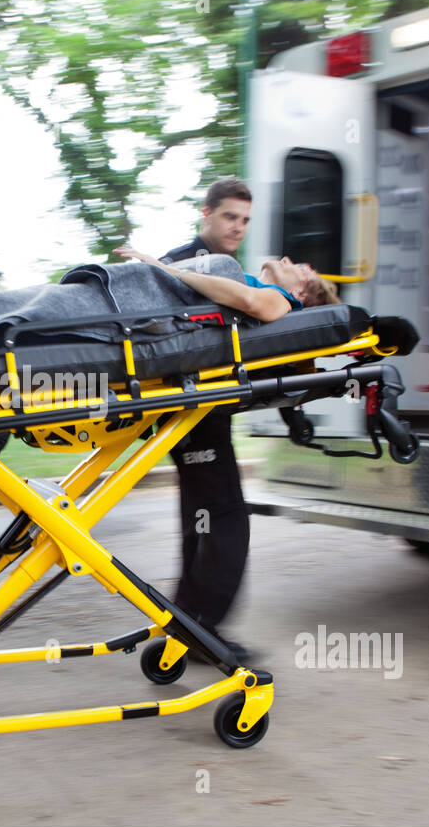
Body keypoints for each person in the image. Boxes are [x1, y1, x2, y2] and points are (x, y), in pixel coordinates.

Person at [113, 178, 339, 663]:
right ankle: (202, 631)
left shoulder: (229, 270)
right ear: (207, 214)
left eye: (244, 220)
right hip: (190, 411)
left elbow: (266, 353)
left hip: (205, 411)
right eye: (229, 216)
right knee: (224, 520)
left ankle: (189, 623)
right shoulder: (191, 264)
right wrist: (156, 264)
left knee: (202, 519)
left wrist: (294, 411)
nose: (237, 227)